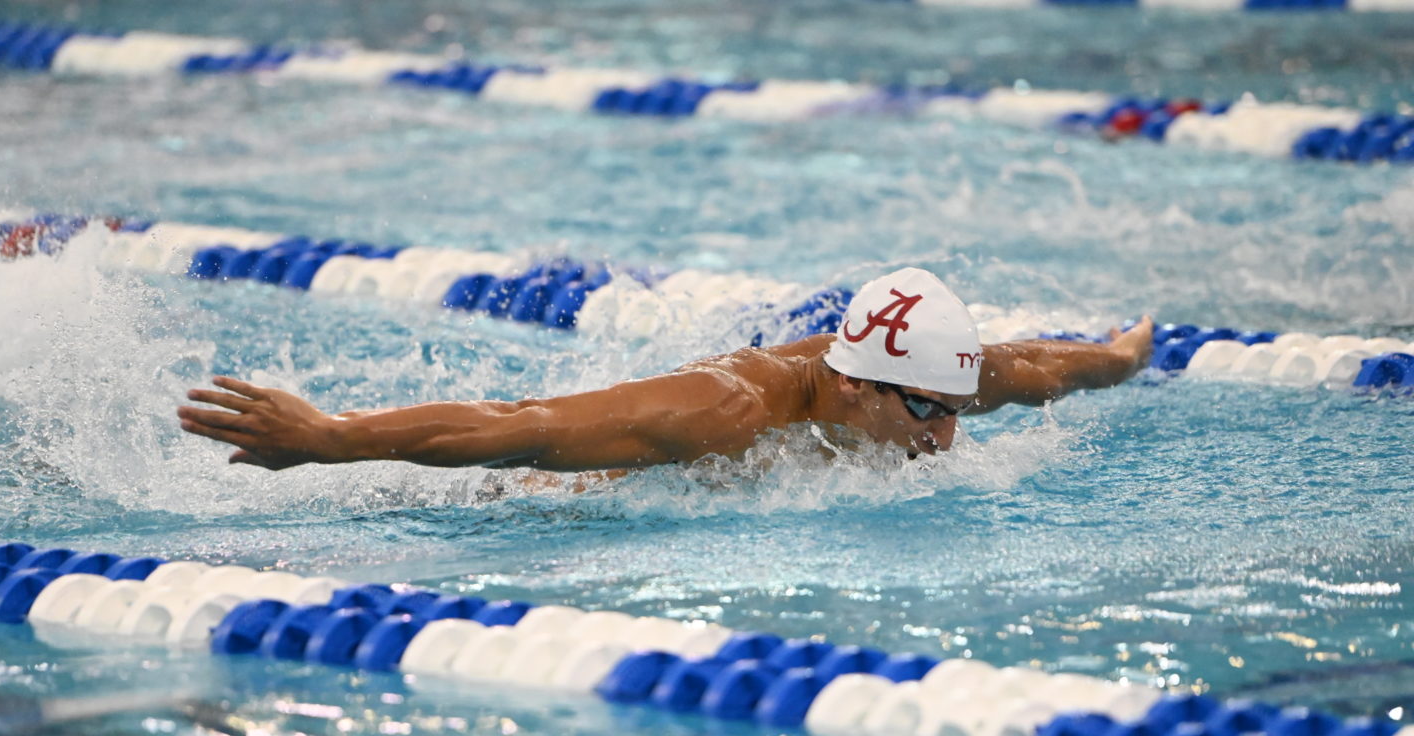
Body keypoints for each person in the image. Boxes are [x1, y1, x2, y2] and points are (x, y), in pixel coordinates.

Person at [177, 267, 1153, 473]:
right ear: (854, 384)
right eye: (930, 416)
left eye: (953, 412)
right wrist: (330, 440)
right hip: (554, 499)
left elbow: (1042, 369)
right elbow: (515, 422)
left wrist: (1120, 355)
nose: (946, 437)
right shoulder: (723, 410)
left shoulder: (933, 377)